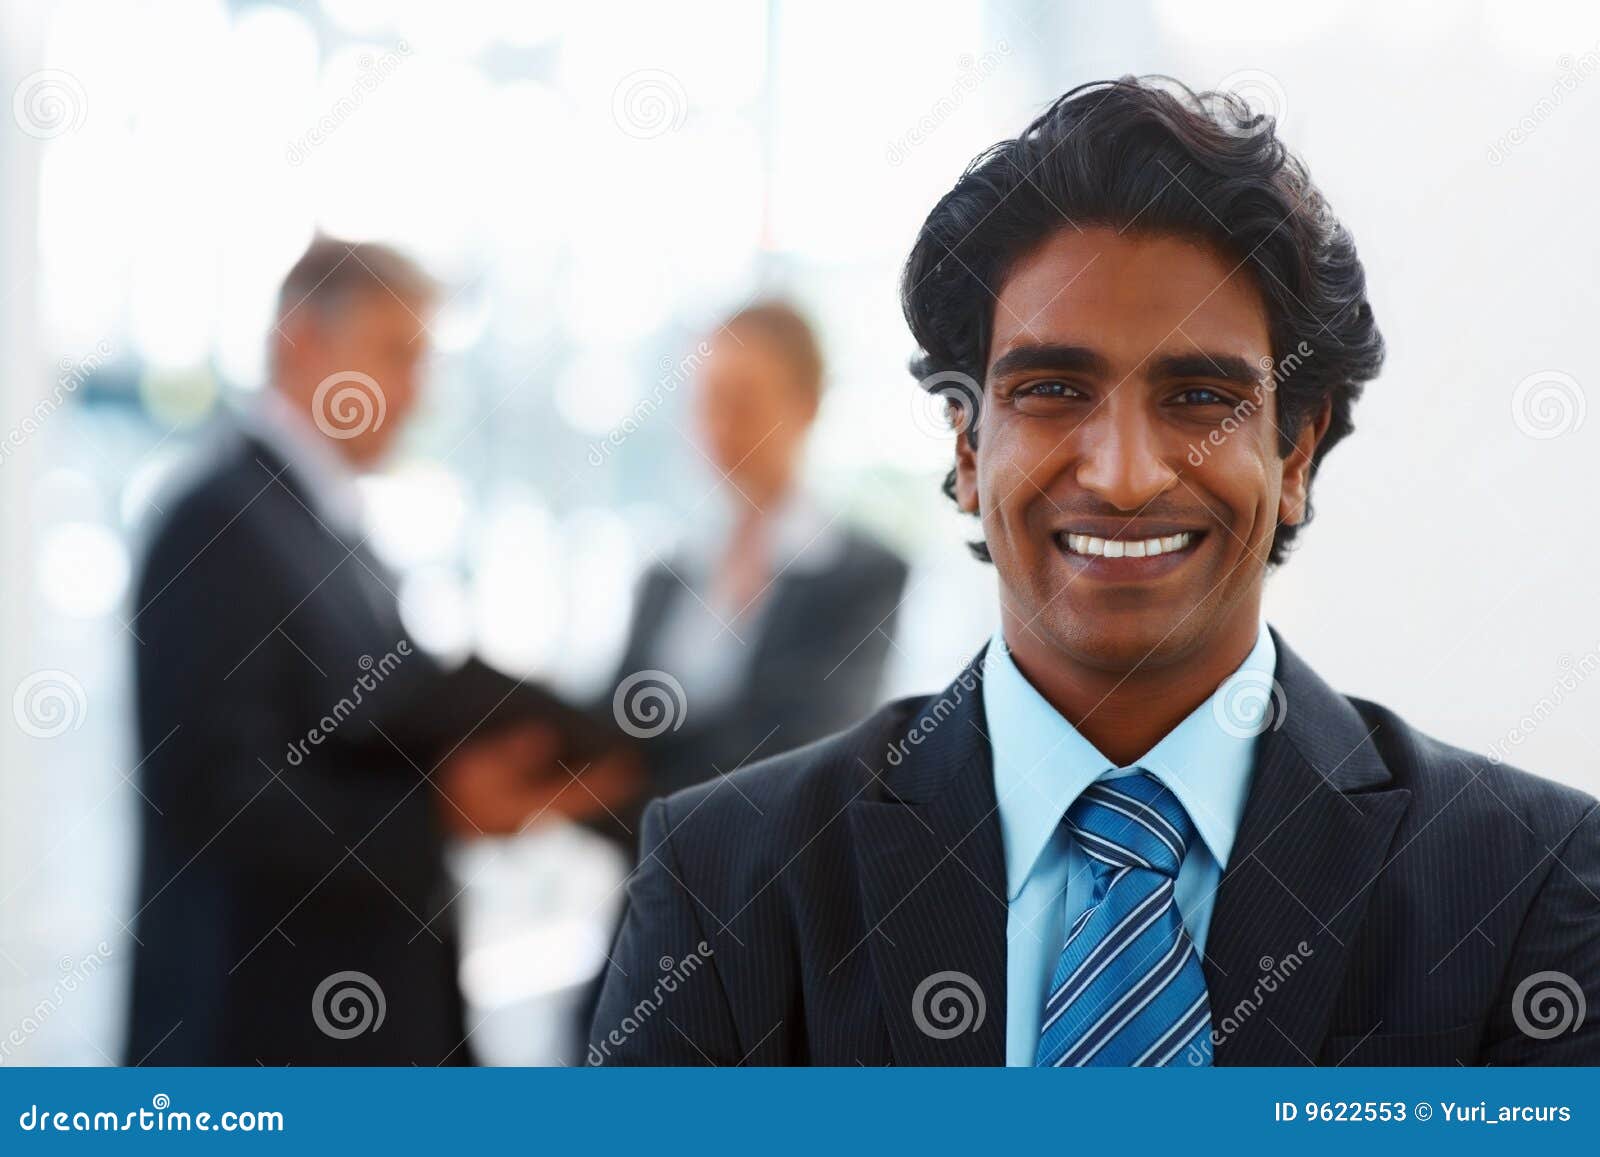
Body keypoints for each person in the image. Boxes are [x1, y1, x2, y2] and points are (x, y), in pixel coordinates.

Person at [589, 77, 1600, 1066]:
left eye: (1200, 396)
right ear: (969, 446)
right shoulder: (727, 878)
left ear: (1293, 454)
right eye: (1053, 387)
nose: (1123, 476)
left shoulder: (1526, 881)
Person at [128, 237, 631, 1065]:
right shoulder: (216, 521)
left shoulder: (333, 531)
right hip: (263, 1044)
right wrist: (444, 813)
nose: (414, 392)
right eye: (396, 355)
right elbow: (214, 793)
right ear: (300, 342)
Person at [596, 303, 908, 842]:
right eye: (707, 403)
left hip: (772, 889)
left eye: (743, 402)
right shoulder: (666, 575)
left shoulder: (862, 576)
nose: (719, 427)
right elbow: (611, 727)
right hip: (648, 886)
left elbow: (801, 752)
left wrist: (629, 778)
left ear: (807, 405)